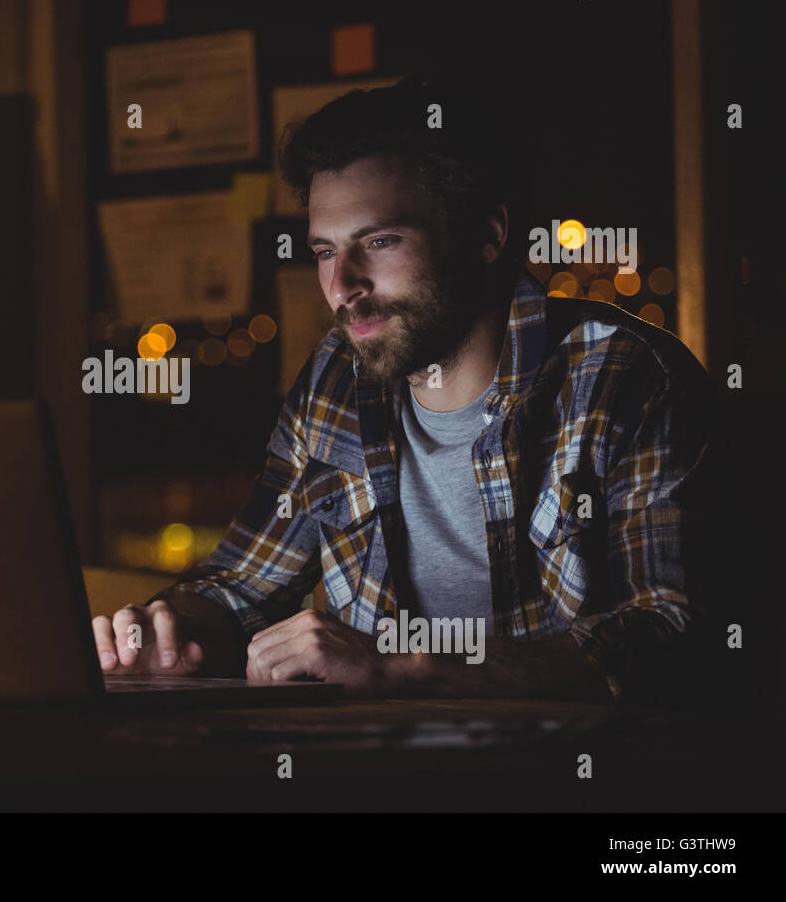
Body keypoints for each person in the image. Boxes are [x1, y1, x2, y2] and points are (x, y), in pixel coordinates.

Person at [91, 77, 718, 702]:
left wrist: (407, 666)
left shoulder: (622, 378)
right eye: (324, 251)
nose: (343, 285)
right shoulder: (335, 378)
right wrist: (170, 626)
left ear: (488, 235)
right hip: (375, 773)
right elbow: (242, 586)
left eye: (380, 241)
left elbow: (667, 631)